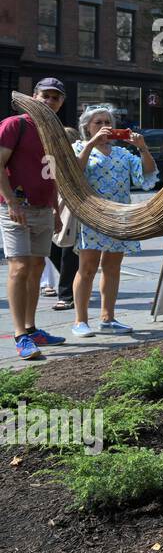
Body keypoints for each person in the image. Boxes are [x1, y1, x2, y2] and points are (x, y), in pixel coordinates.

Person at [70, 105, 157, 338]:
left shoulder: (122, 153)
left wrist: (143, 149)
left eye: (108, 122)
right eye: (98, 122)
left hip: (119, 215)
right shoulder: (79, 147)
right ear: (87, 127)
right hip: (92, 215)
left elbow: (147, 176)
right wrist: (90, 144)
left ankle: (107, 318)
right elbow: (74, 173)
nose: (104, 126)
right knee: (87, 267)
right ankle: (80, 321)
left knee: (112, 268)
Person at [0, 78, 70, 360]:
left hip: (43, 209)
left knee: (37, 266)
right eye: (45, 95)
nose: (50, 101)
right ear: (34, 96)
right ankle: (20, 336)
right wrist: (12, 202)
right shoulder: (15, 125)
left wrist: (54, 209)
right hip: (15, 208)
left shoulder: (55, 132)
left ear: (61, 102)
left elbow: (51, 173)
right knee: (19, 266)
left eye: (56, 97)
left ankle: (31, 328)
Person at [51, 127, 81, 311]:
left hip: (72, 208)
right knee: (51, 248)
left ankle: (66, 295)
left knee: (68, 250)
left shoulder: (77, 157)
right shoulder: (52, 158)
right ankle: (71, 282)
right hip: (55, 205)